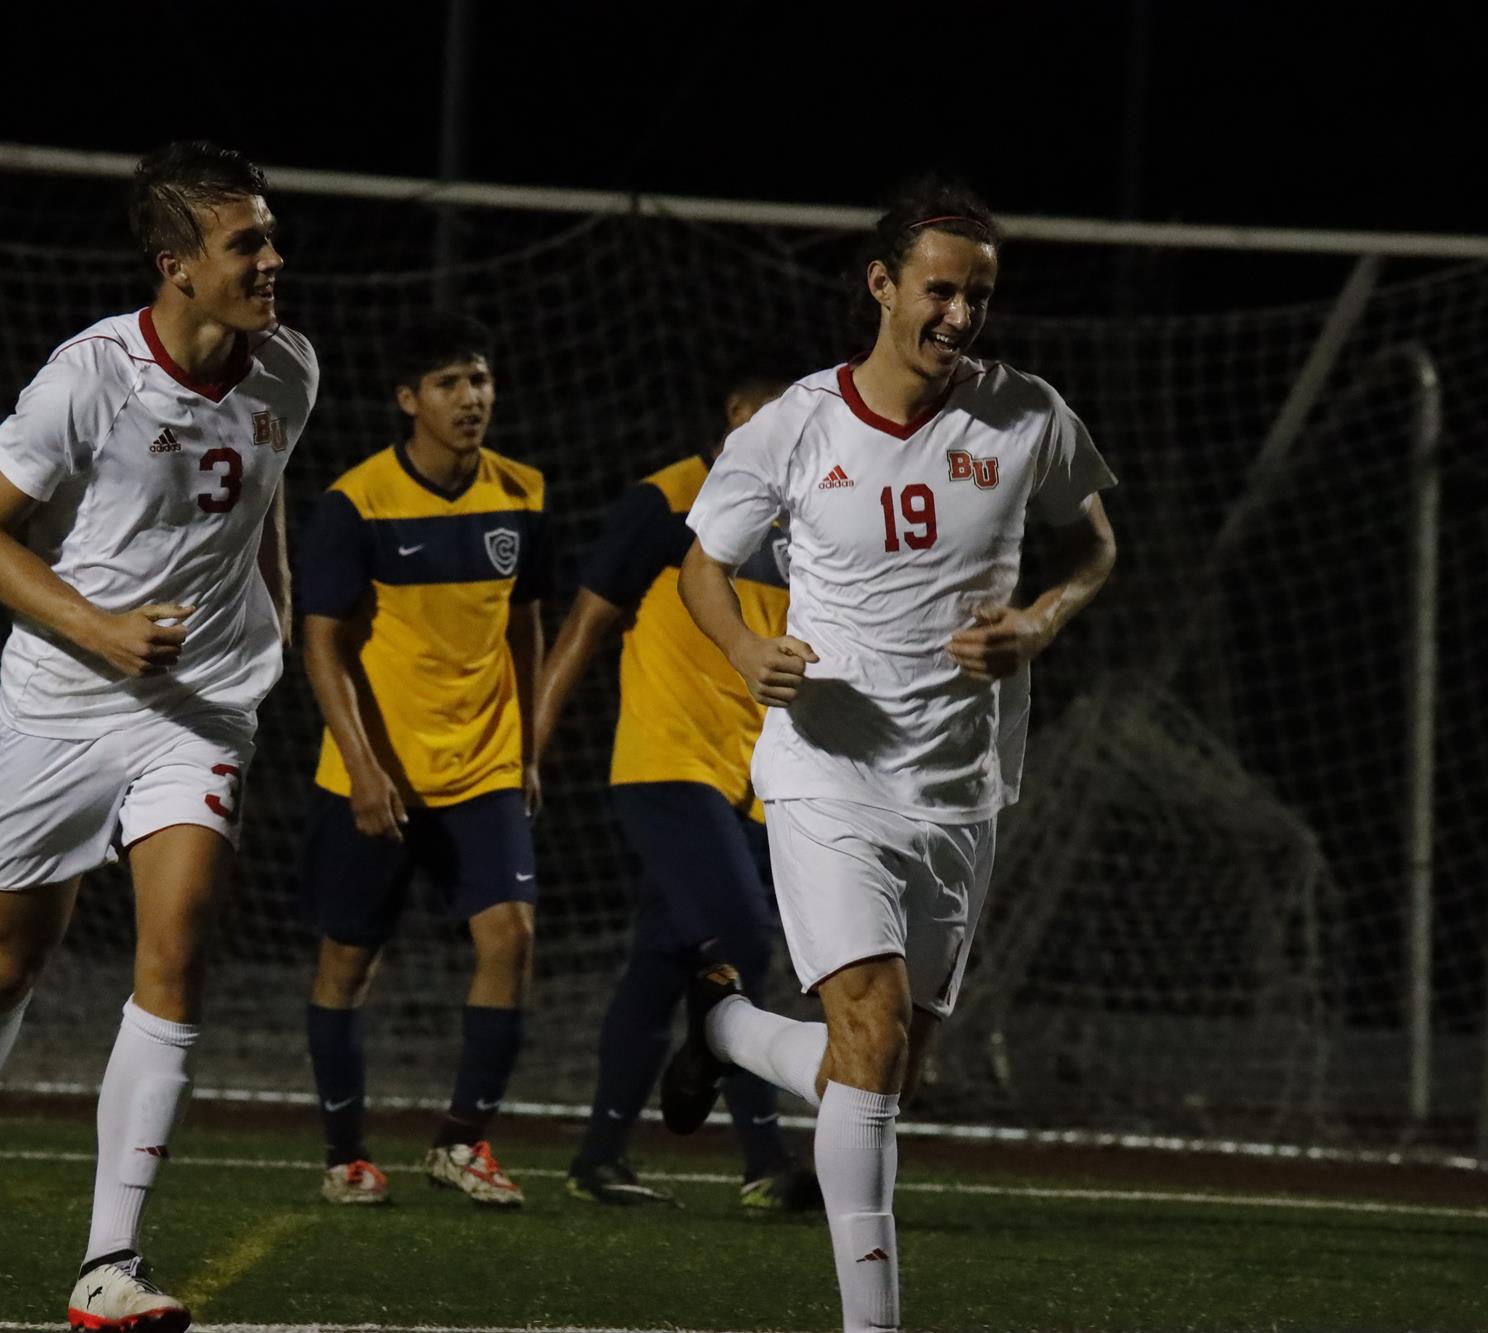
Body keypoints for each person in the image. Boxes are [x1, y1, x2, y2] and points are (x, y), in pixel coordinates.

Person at [661, 178, 1117, 1333]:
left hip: (959, 785)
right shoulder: (792, 425)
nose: (957, 315)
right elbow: (702, 565)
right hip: (824, 775)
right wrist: (740, 645)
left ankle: (723, 1027)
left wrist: (1041, 621)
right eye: (937, 289)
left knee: (890, 1066)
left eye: (976, 295)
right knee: (865, 1034)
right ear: (880, 285)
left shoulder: (1027, 415)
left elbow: (1095, 544)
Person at [0, 141, 317, 1330]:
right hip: (63, 701)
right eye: (248, 244)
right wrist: (104, 628)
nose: (273, 260)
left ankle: (107, 1265)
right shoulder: (89, 377)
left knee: (175, 950)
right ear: (176, 265)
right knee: (6, 959)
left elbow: (258, 509)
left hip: (201, 706)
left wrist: (265, 641)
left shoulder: (290, 365)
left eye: (271, 237)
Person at [530, 354, 821, 1210]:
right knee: (746, 938)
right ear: (736, 412)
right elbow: (586, 624)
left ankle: (598, 1157)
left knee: (659, 964)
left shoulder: (804, 518)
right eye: (777, 417)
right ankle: (765, 1158)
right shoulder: (665, 502)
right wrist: (530, 752)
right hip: (668, 765)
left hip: (756, 778)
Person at [294, 312, 551, 1209]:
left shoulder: (523, 492)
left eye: (478, 378)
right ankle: (346, 1153)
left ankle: (462, 1141)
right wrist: (364, 768)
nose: (470, 397)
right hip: (379, 779)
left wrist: (525, 747)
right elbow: (318, 640)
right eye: (448, 383)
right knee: (347, 965)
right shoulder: (357, 502)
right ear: (408, 401)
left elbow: (524, 621)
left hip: (481, 768)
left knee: (510, 936)